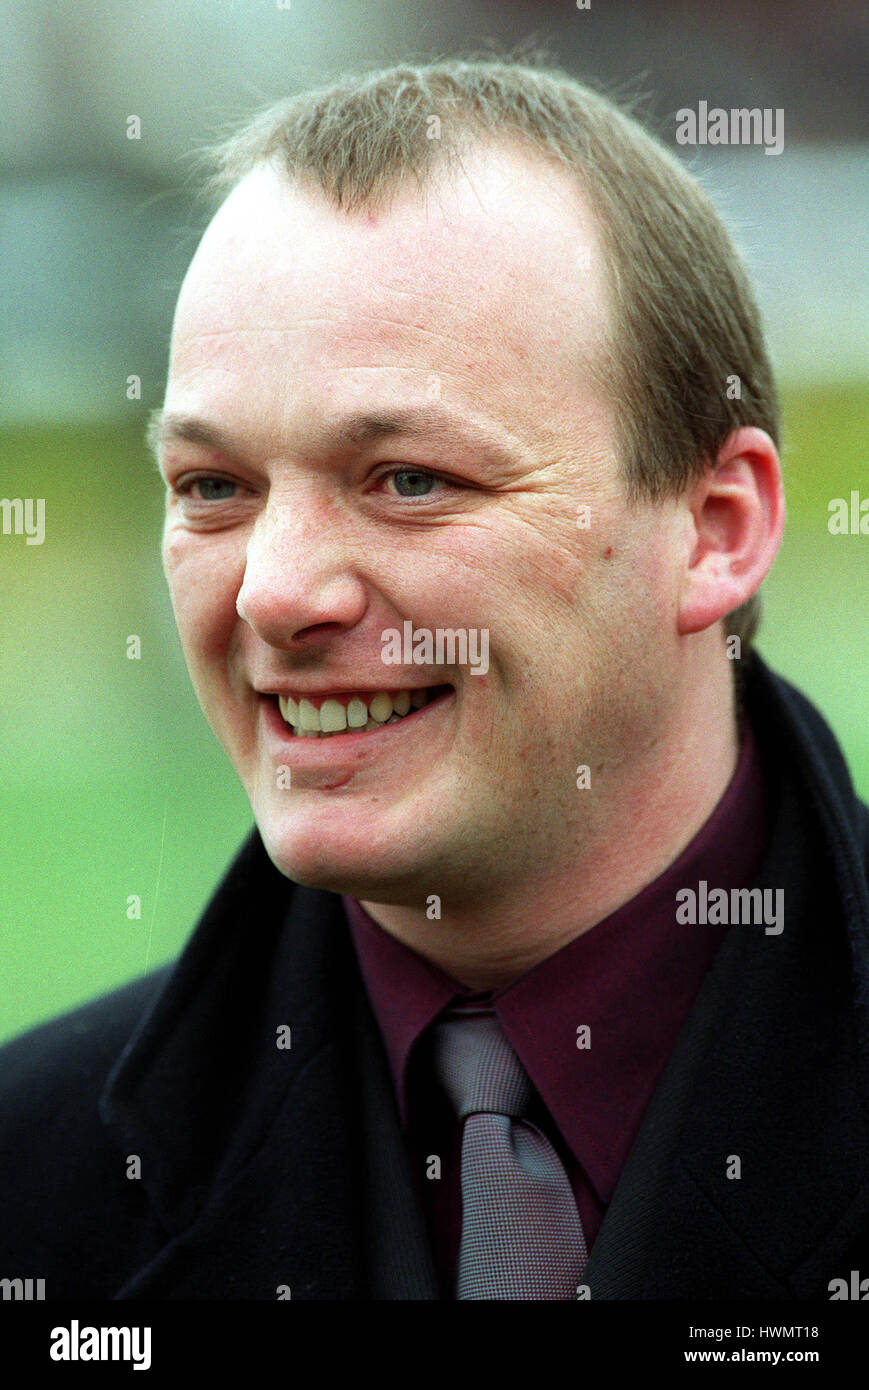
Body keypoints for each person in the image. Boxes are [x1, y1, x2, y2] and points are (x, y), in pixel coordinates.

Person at [1, 58, 867, 1302]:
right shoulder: (32, 1188)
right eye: (213, 489)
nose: (274, 591)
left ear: (714, 528)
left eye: (408, 479)